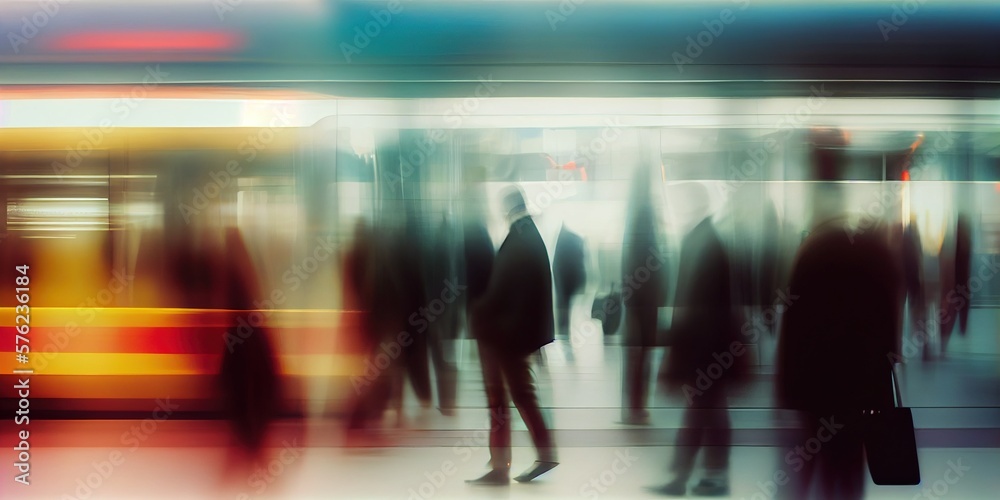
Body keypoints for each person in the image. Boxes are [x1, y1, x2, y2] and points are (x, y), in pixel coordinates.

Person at [775, 130, 900, 499]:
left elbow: (793, 329)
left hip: (818, 389)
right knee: (847, 471)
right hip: (861, 387)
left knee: (813, 467)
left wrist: (787, 391)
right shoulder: (876, 252)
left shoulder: (812, 251)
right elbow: (889, 330)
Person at [651, 182, 741, 497]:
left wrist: (681, 351)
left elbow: (697, 307)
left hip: (705, 349)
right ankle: (704, 475)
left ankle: (685, 477)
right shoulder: (705, 240)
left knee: (703, 412)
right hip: (709, 348)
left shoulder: (703, 243)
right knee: (709, 412)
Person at [467, 185, 558, 486]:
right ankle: (514, 460)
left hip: (507, 336)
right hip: (515, 334)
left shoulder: (520, 238)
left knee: (504, 399)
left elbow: (501, 290)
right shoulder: (528, 234)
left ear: (507, 207)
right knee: (515, 397)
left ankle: (505, 465)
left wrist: (477, 312)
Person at [620, 167, 668, 425]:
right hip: (646, 301)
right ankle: (637, 404)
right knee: (642, 355)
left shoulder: (638, 217)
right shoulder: (646, 217)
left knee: (637, 355)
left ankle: (635, 405)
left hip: (640, 301)